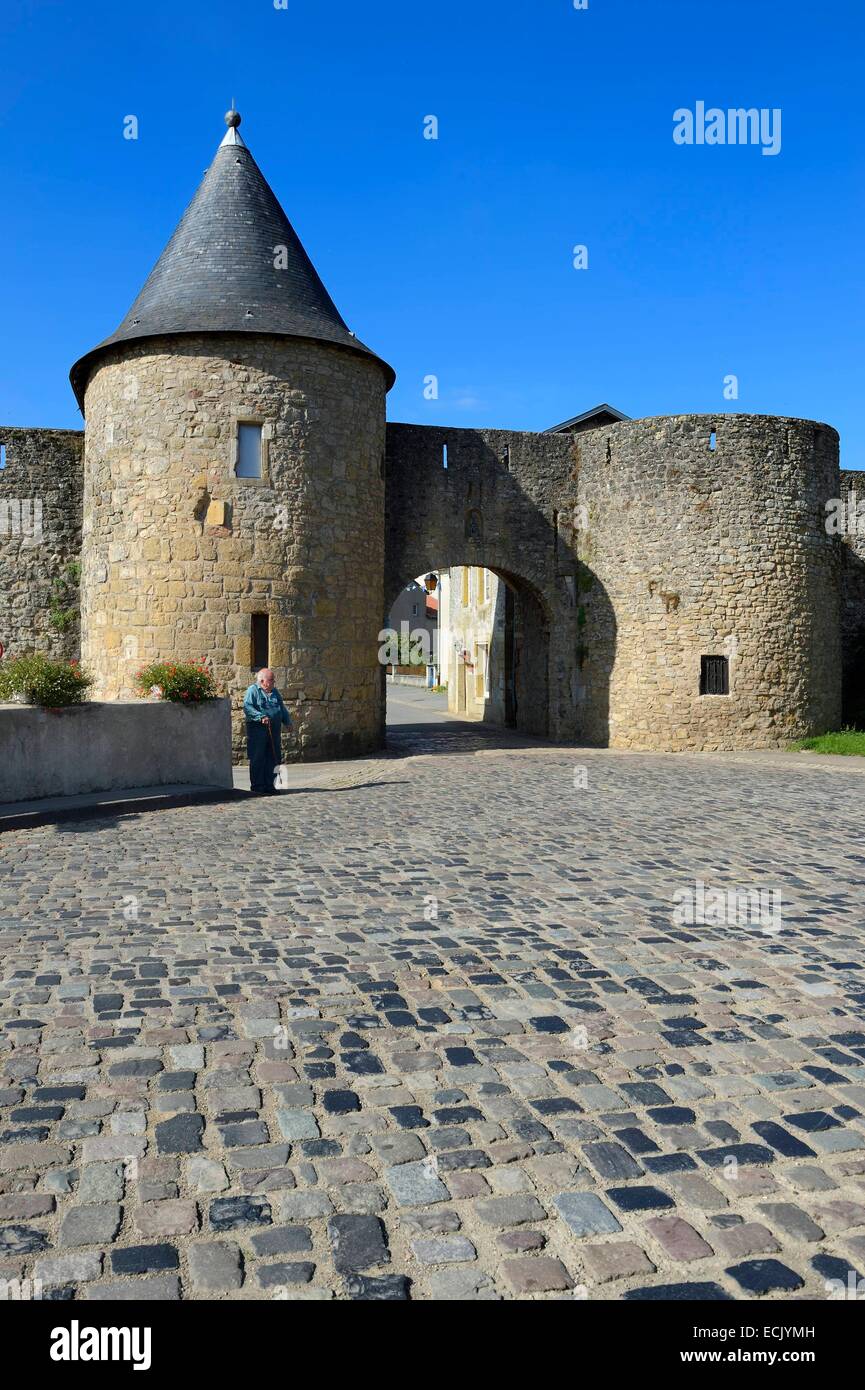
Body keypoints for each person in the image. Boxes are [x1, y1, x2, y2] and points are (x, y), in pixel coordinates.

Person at [243, 668, 292, 794]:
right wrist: (260, 717)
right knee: (258, 757)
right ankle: (258, 786)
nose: (274, 682)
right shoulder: (253, 691)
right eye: (271, 680)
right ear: (262, 681)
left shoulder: (275, 692)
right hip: (257, 730)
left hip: (274, 730)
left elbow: (281, 708)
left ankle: (270, 785)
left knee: (274, 756)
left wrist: (287, 722)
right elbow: (247, 707)